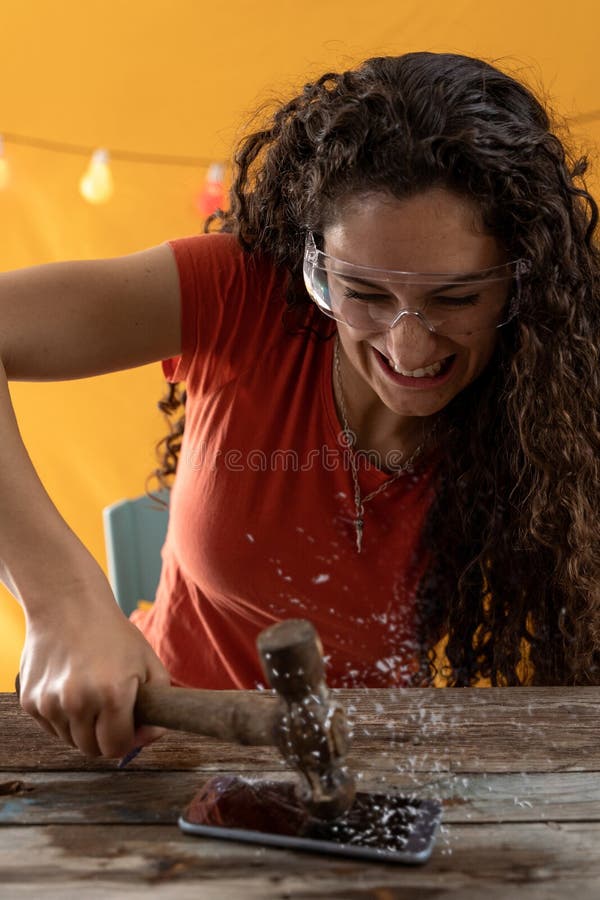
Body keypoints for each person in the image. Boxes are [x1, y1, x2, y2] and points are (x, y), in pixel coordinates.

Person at [2, 52, 599, 761]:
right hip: (153, 757)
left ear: (522, 280)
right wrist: (63, 600)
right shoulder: (239, 295)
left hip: (371, 773)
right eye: (365, 293)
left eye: (457, 298)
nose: (408, 352)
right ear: (313, 259)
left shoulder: (561, 397)